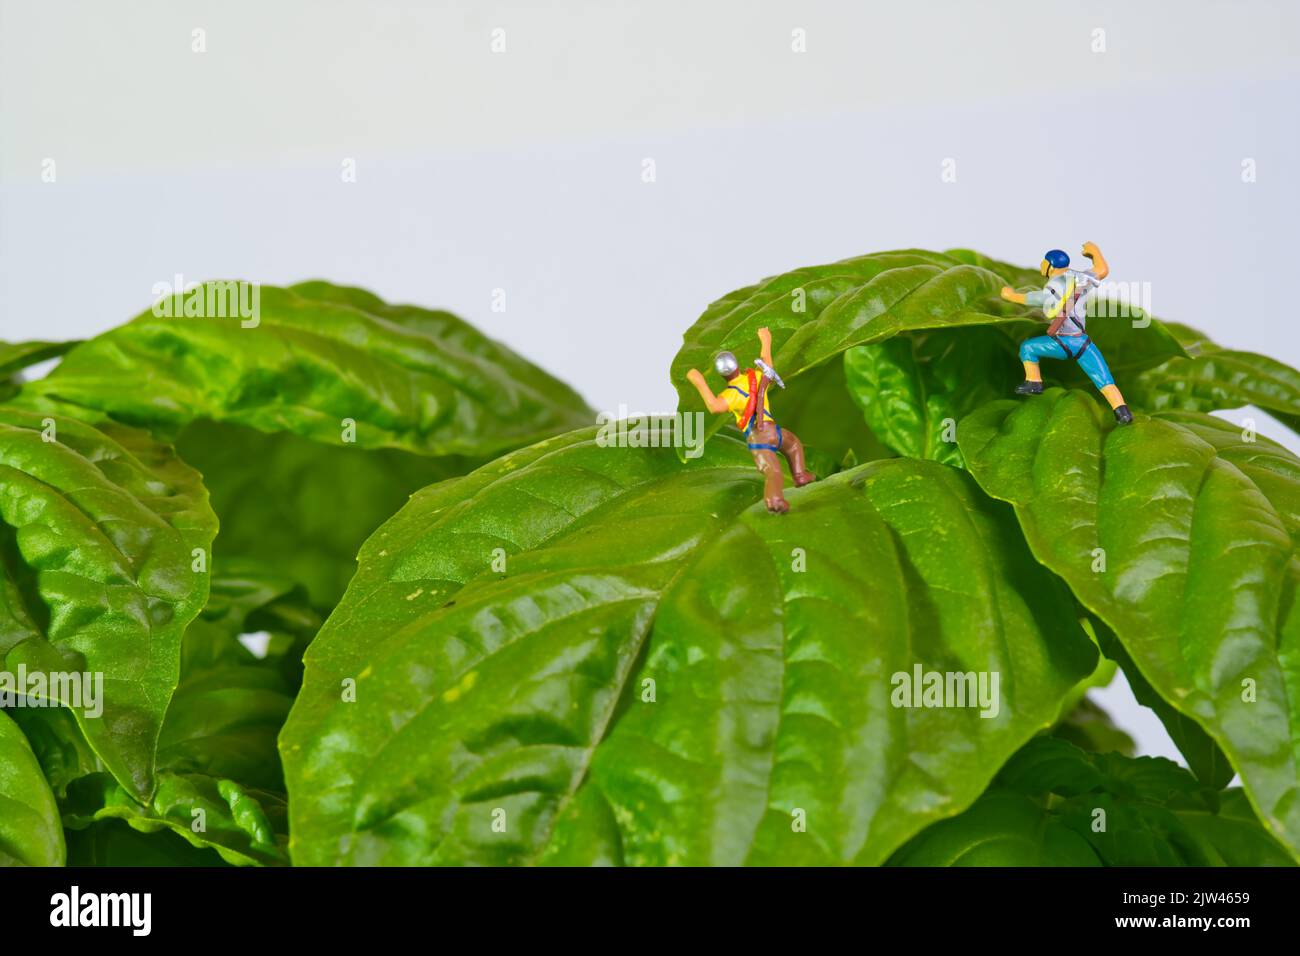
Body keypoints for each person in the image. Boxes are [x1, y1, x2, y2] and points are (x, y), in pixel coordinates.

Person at [1000, 242, 1133, 425]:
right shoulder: (1080, 279)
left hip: (1062, 343)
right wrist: (1094, 251)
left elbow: (1033, 298)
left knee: (1028, 348)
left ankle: (1034, 382)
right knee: (1104, 379)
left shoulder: (1053, 287)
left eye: (1044, 262)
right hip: (1083, 343)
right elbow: (1102, 270)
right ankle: (1122, 412)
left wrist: (1010, 296)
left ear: (1051, 266)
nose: (1041, 265)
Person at [686, 327, 815, 513]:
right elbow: (767, 364)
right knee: (789, 451)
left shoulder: (730, 395)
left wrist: (699, 381)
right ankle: (783, 492)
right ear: (737, 366)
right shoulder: (754, 377)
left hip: (762, 435)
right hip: (768, 432)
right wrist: (765, 340)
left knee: (781, 460)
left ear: (722, 375)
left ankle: (792, 483)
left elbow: (714, 406)